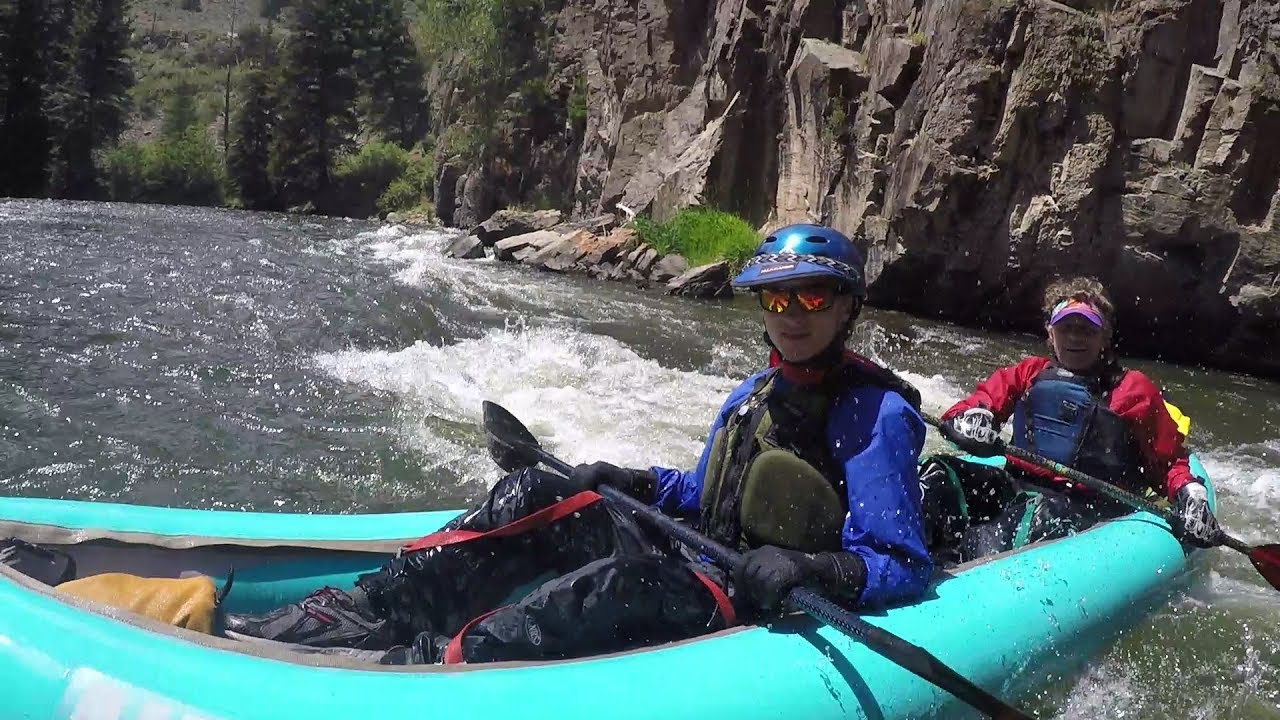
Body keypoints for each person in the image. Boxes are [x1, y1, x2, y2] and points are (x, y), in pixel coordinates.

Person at [223, 223, 932, 664]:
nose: (792, 315)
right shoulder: (753, 392)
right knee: (541, 492)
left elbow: (900, 561)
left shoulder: (876, 415)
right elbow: (705, 488)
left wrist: (806, 567)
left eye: (811, 296)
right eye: (777, 299)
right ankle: (356, 613)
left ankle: (430, 663)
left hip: (751, 594)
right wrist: (622, 477)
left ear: (847, 306)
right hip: (696, 549)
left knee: (613, 588)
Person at [924, 276, 1222, 563]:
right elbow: (969, 408)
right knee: (939, 472)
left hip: (1088, 507)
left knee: (1043, 514)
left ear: (1105, 336)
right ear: (1050, 334)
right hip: (1017, 487)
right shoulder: (1028, 373)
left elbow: (1169, 464)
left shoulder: (1133, 390)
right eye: (1066, 327)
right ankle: (918, 554)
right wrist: (974, 418)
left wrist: (1190, 494)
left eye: (1087, 329)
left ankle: (973, 568)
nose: (1075, 337)